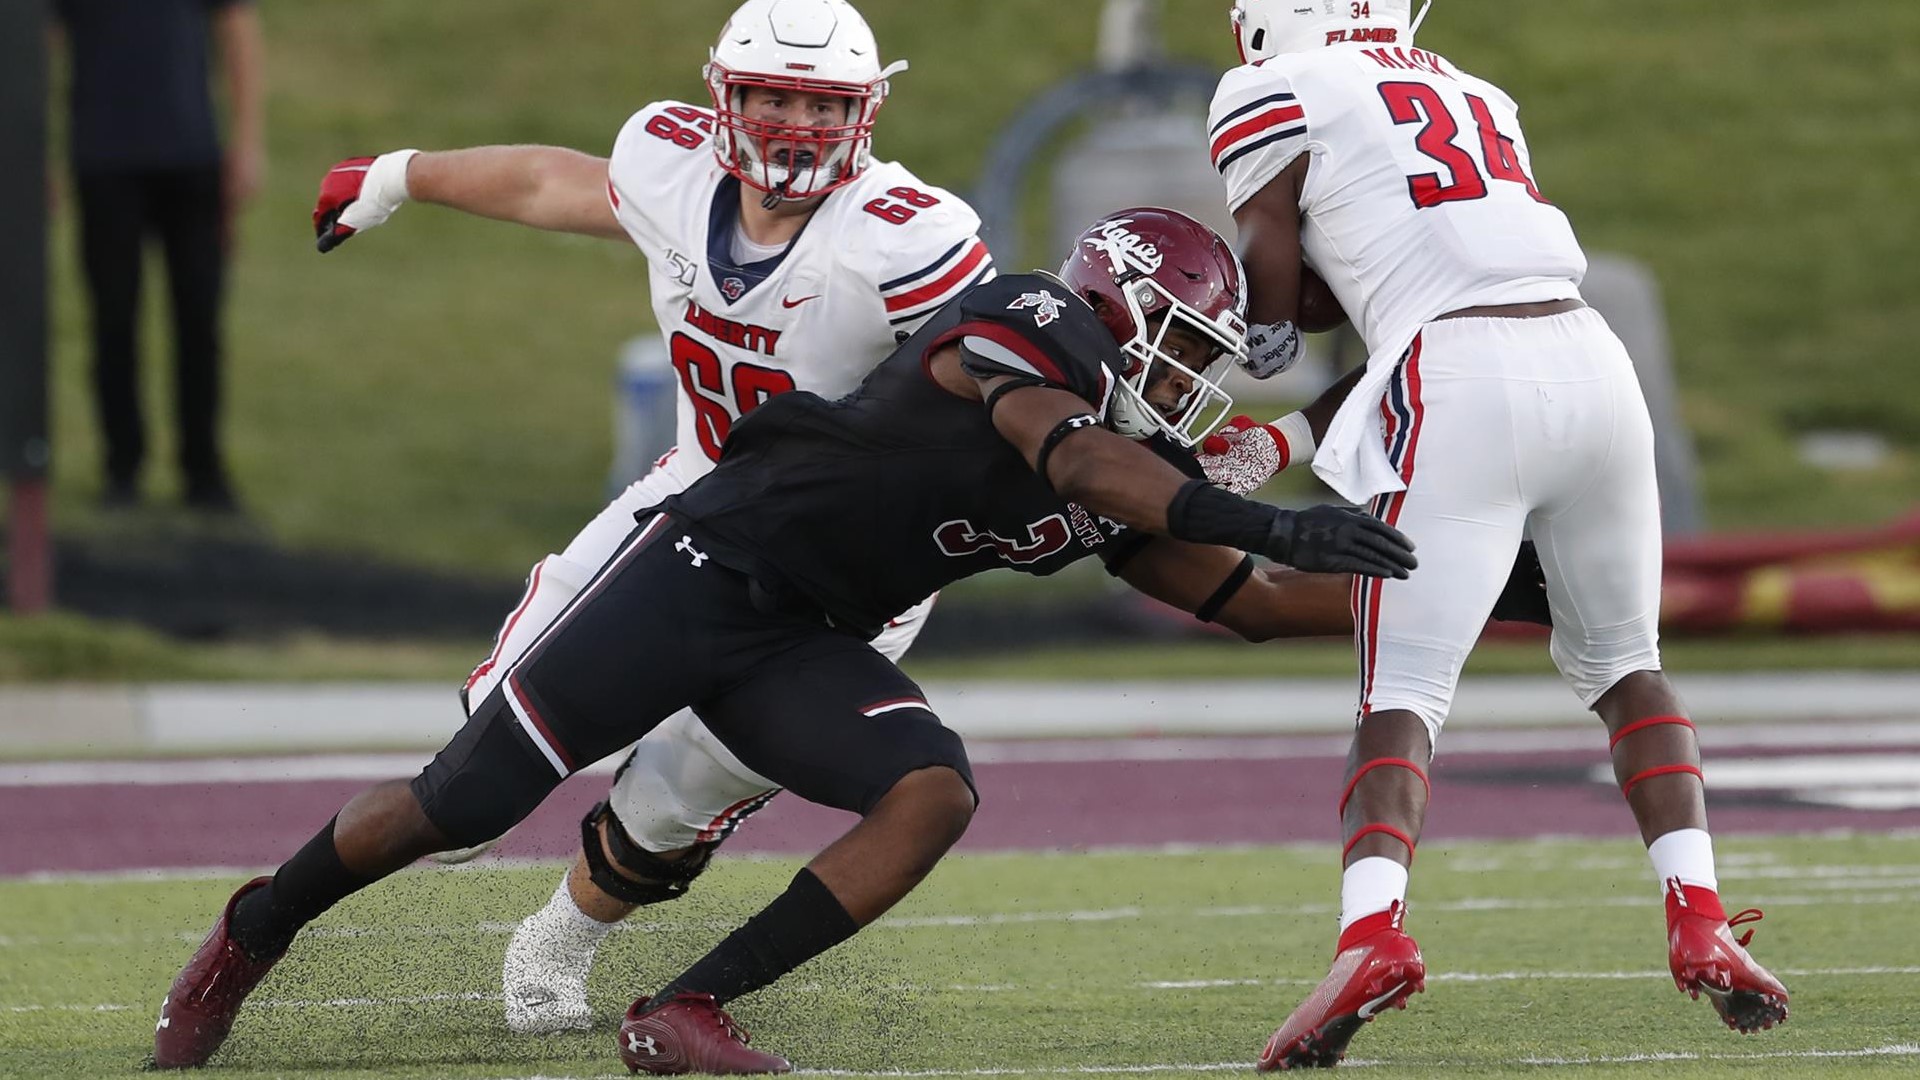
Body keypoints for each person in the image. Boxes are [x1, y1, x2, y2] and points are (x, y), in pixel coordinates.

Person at [151, 207, 1429, 1073]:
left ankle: (683, 1009)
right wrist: (1262, 510)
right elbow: (1073, 455)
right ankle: (258, 927)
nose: (1195, 378)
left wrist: (1467, 597)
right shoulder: (1035, 319)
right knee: (461, 805)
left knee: (931, 791)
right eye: (1187, 345)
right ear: (1114, 302)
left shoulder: (1132, 460)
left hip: (807, 636)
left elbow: (1249, 601)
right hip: (706, 572)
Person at [309, 0, 999, 1034]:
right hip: (691, 501)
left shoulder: (904, 237)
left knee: (671, 802)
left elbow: (1010, 376)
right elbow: (550, 183)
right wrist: (402, 172)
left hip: (842, 574)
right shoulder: (672, 166)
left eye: (821, 105)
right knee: (473, 779)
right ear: (724, 94)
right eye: (773, 98)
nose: (796, 126)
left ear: (864, 111)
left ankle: (560, 939)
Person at [1196, 1, 1790, 1069]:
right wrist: (1281, 438)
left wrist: (1261, 331)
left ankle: (1371, 935)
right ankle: (1699, 914)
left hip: (1461, 384)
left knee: (1401, 695)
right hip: (1590, 359)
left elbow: (1288, 277)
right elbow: (1444, 297)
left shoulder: (1270, 86)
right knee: (1629, 666)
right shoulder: (1474, 89)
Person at [52, 0, 264, 512]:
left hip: (192, 155)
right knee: (113, 318)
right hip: (103, 159)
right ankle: (122, 469)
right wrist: (37, 151)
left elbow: (237, 26)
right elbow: (42, 46)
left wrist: (247, 141)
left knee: (199, 318)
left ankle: (203, 471)